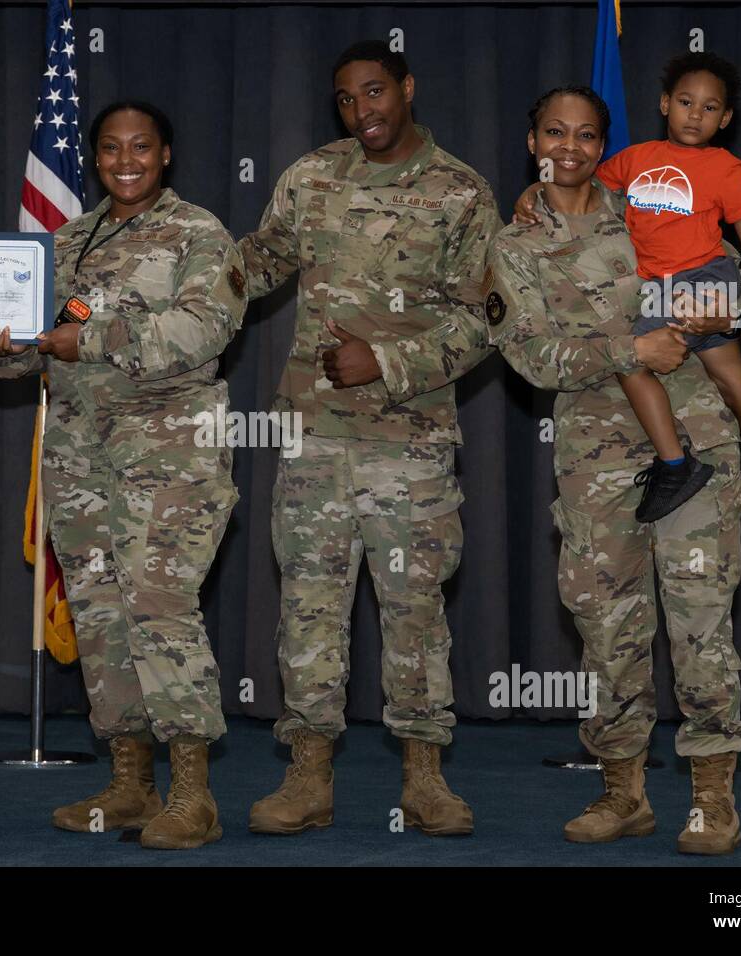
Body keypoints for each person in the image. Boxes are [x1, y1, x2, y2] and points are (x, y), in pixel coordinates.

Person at [237, 41, 500, 836]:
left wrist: (383, 360)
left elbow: (486, 322)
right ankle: (308, 775)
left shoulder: (460, 192)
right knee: (309, 609)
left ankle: (425, 779)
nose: (365, 111)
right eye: (348, 100)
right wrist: (145, 290)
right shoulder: (312, 177)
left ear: (408, 88)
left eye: (376, 92)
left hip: (409, 444)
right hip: (313, 436)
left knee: (413, 609)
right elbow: (252, 266)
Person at [488, 86, 741, 854]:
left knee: (701, 618)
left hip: (697, 441)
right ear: (532, 138)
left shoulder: (647, 202)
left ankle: (711, 798)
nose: (568, 148)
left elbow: (725, 273)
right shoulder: (515, 245)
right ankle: (623, 793)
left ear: (606, 146)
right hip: (597, 459)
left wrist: (708, 311)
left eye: (586, 136)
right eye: (553, 133)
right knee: (607, 627)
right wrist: (627, 350)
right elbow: (530, 356)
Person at [0, 102, 246, 851]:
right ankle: (130, 782)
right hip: (79, 455)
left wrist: (89, 339)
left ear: (165, 154)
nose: (124, 160)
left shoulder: (202, 234)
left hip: (170, 452)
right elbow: (27, 348)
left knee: (161, 607)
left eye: (140, 147)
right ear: (94, 159)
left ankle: (194, 793)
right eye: (109, 149)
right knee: (101, 616)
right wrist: (0, 341)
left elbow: (207, 328)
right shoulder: (67, 240)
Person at [518, 53, 741, 538]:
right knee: (735, 385)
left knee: (633, 360)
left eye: (710, 107)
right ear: (664, 103)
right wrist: (533, 189)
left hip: (700, 279)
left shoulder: (725, 167)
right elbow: (580, 186)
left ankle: (675, 464)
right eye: (686, 102)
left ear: (727, 118)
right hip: (662, 284)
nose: (696, 115)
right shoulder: (634, 159)